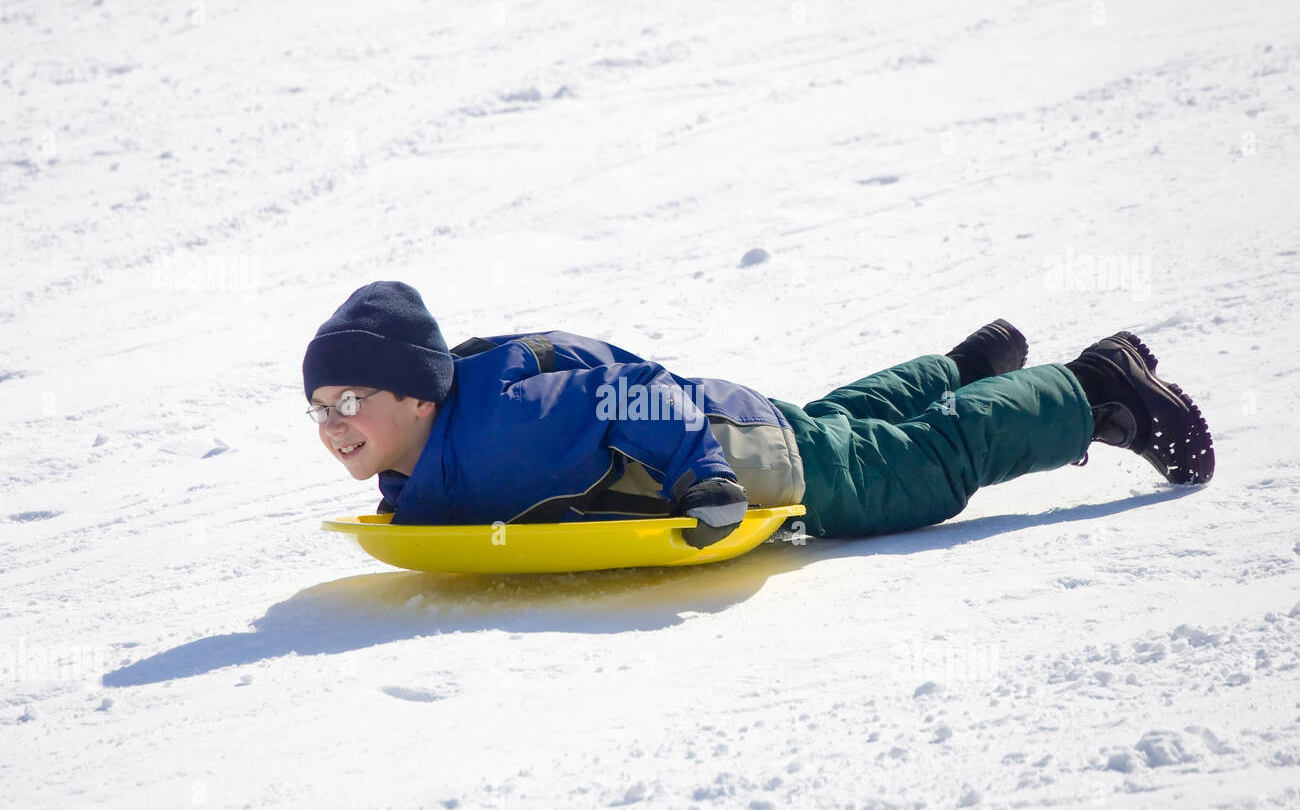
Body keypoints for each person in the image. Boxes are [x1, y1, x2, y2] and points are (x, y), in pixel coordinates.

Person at [302, 280, 1213, 548]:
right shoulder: (433, 449)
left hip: (728, 451)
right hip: (732, 422)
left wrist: (701, 474)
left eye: (352, 400)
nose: (335, 422)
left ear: (419, 395)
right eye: (319, 410)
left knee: (910, 471)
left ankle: (1096, 394)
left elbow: (631, 393)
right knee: (843, 427)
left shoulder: (505, 416)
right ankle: (965, 366)